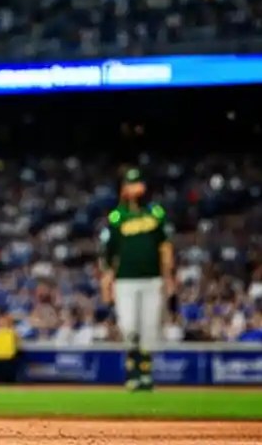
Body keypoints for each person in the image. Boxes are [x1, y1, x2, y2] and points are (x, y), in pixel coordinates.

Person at [99, 168, 176, 392]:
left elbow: (165, 246)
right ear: (124, 188)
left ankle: (144, 374)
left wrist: (169, 275)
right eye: (132, 184)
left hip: (153, 278)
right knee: (129, 325)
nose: (136, 188)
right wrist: (107, 279)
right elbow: (108, 252)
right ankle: (133, 372)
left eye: (139, 183)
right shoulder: (117, 216)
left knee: (149, 329)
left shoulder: (155, 212)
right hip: (125, 280)